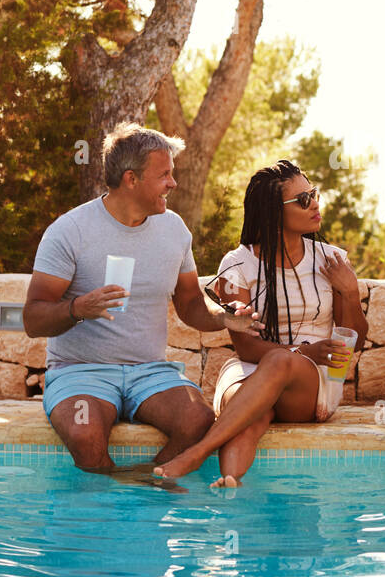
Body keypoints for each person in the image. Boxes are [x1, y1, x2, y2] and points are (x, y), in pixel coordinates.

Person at [24, 123, 260, 473]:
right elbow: (33, 318)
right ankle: (123, 496)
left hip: (150, 373)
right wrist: (77, 308)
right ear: (131, 179)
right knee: (85, 435)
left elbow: (191, 304)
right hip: (81, 372)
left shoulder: (174, 230)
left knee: (197, 418)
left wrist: (224, 317)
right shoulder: (70, 231)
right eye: (164, 174)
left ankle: (143, 485)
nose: (173, 184)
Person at [153, 160, 368, 486]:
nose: (315, 204)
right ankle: (229, 486)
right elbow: (247, 346)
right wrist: (305, 351)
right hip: (252, 369)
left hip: (312, 384)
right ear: (272, 212)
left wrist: (350, 293)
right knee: (253, 414)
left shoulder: (330, 259)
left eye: (313, 194)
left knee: (280, 362)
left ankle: (197, 453)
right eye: (303, 200)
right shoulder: (238, 264)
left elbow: (356, 344)